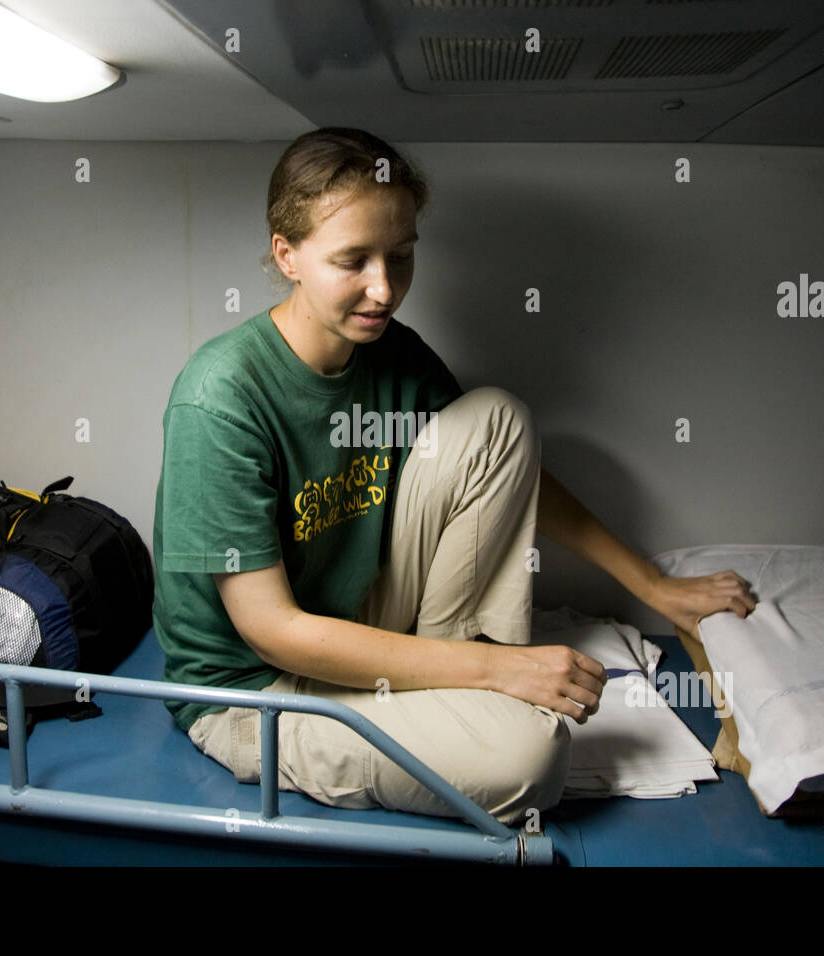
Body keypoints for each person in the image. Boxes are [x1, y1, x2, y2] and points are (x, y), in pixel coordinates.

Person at [152, 127, 755, 826]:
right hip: (258, 688)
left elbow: (509, 467)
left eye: (401, 258)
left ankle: (452, 671)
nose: (384, 289)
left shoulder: (391, 351)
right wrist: (502, 671)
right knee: (531, 757)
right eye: (353, 261)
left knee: (499, 416)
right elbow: (273, 631)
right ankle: (467, 679)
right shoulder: (220, 395)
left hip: (360, 622)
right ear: (287, 255)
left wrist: (654, 586)